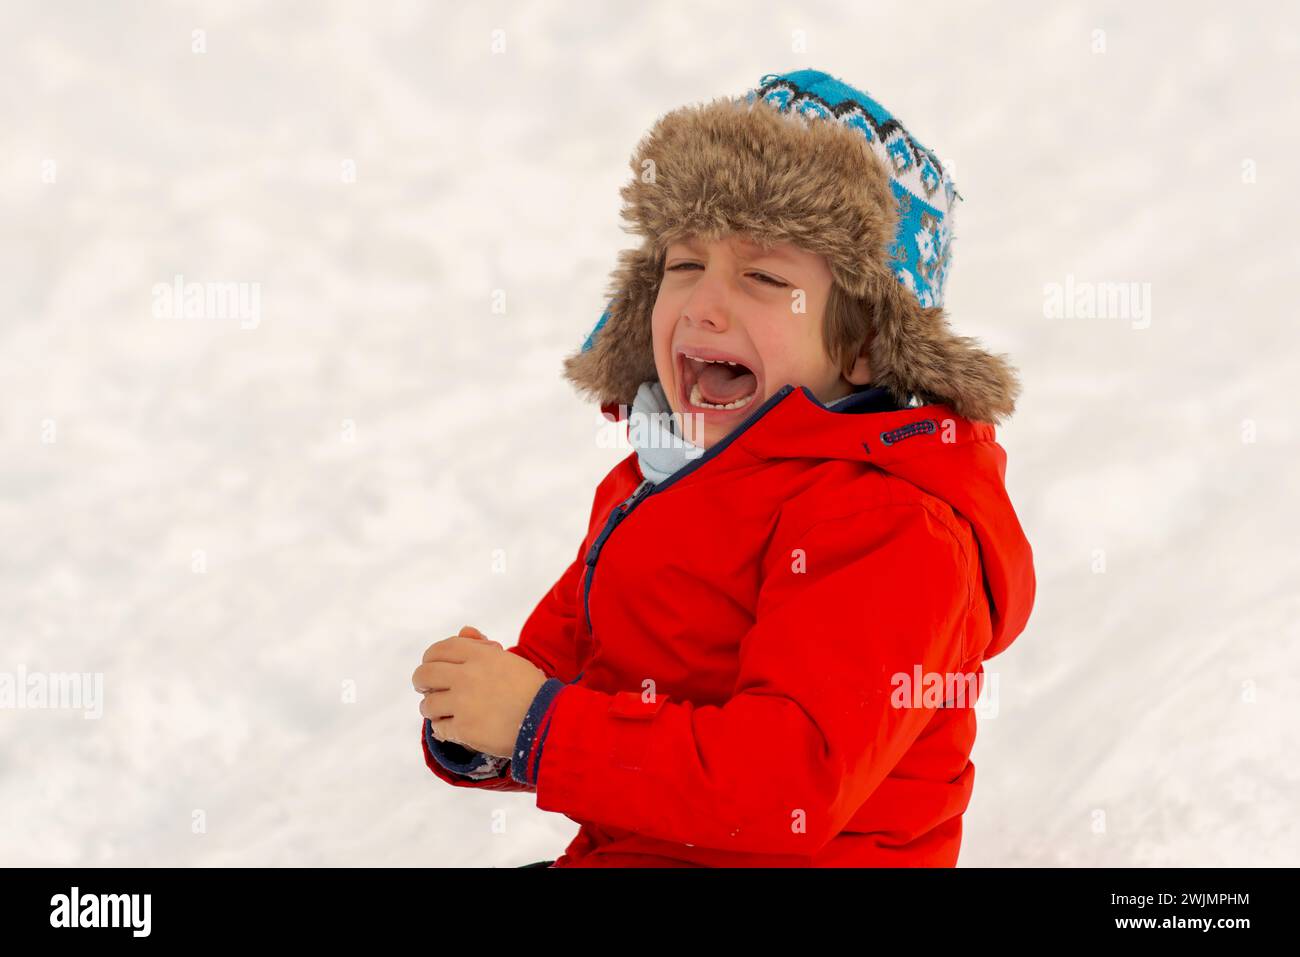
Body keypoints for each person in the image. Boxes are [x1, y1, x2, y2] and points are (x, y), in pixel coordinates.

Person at [412, 68, 1036, 867]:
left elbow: (783, 786)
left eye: (764, 277)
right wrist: (485, 717)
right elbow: (570, 661)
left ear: (864, 344)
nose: (704, 304)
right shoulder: (661, 476)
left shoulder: (891, 523)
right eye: (682, 265)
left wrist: (538, 726)